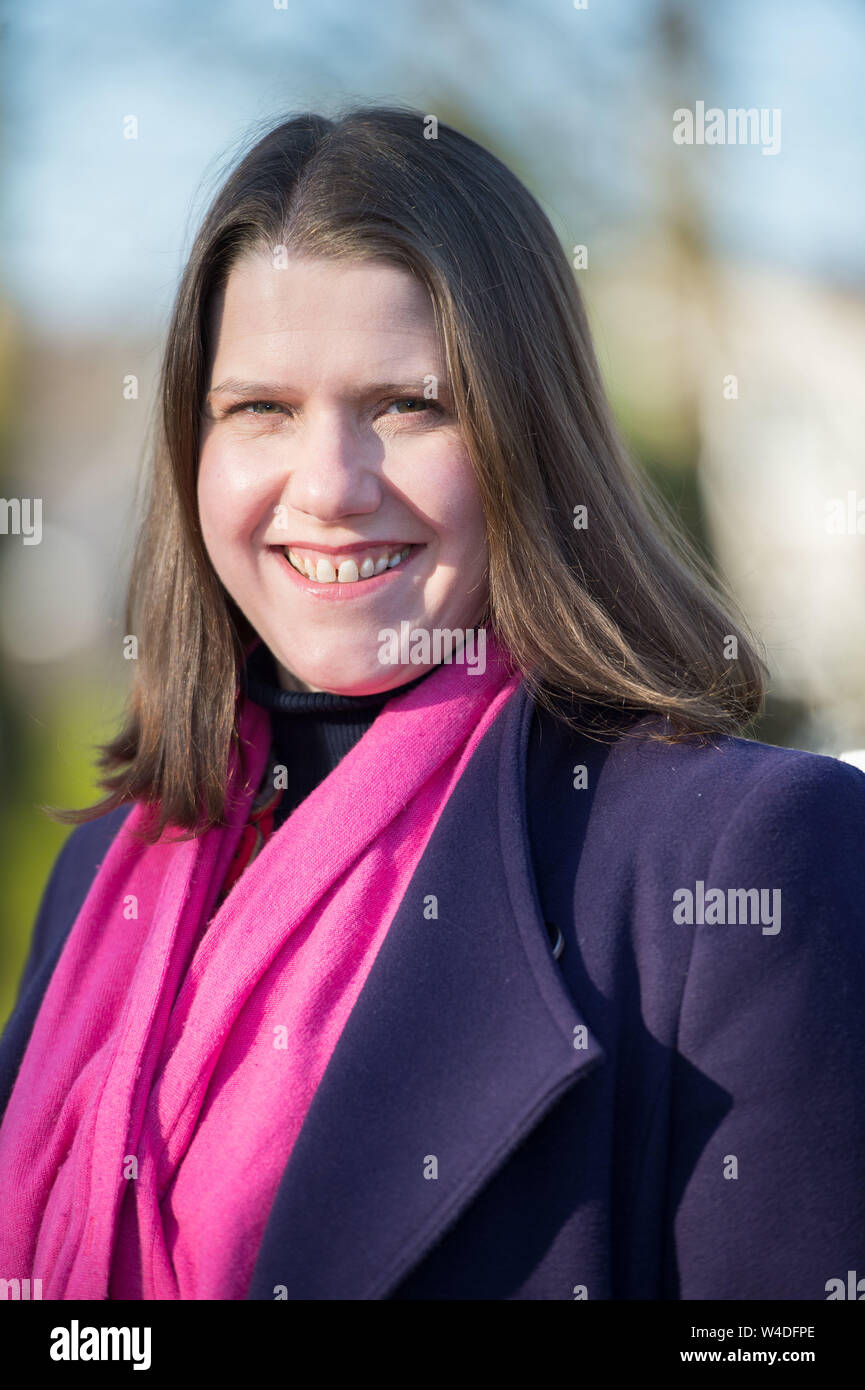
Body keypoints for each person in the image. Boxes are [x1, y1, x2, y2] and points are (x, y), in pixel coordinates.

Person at [0, 104, 863, 1302]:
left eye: (407, 405)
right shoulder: (106, 875)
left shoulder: (743, 856)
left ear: (528, 433)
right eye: (261, 409)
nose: (329, 486)